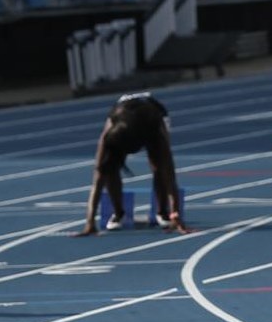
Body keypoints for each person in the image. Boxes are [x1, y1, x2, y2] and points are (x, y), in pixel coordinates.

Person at [74, 91, 189, 236]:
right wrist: (89, 222)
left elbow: (170, 176)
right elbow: (98, 180)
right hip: (123, 113)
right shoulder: (109, 136)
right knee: (108, 168)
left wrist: (175, 215)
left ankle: (162, 212)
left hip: (152, 114)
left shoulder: (156, 130)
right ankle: (118, 213)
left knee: (159, 167)